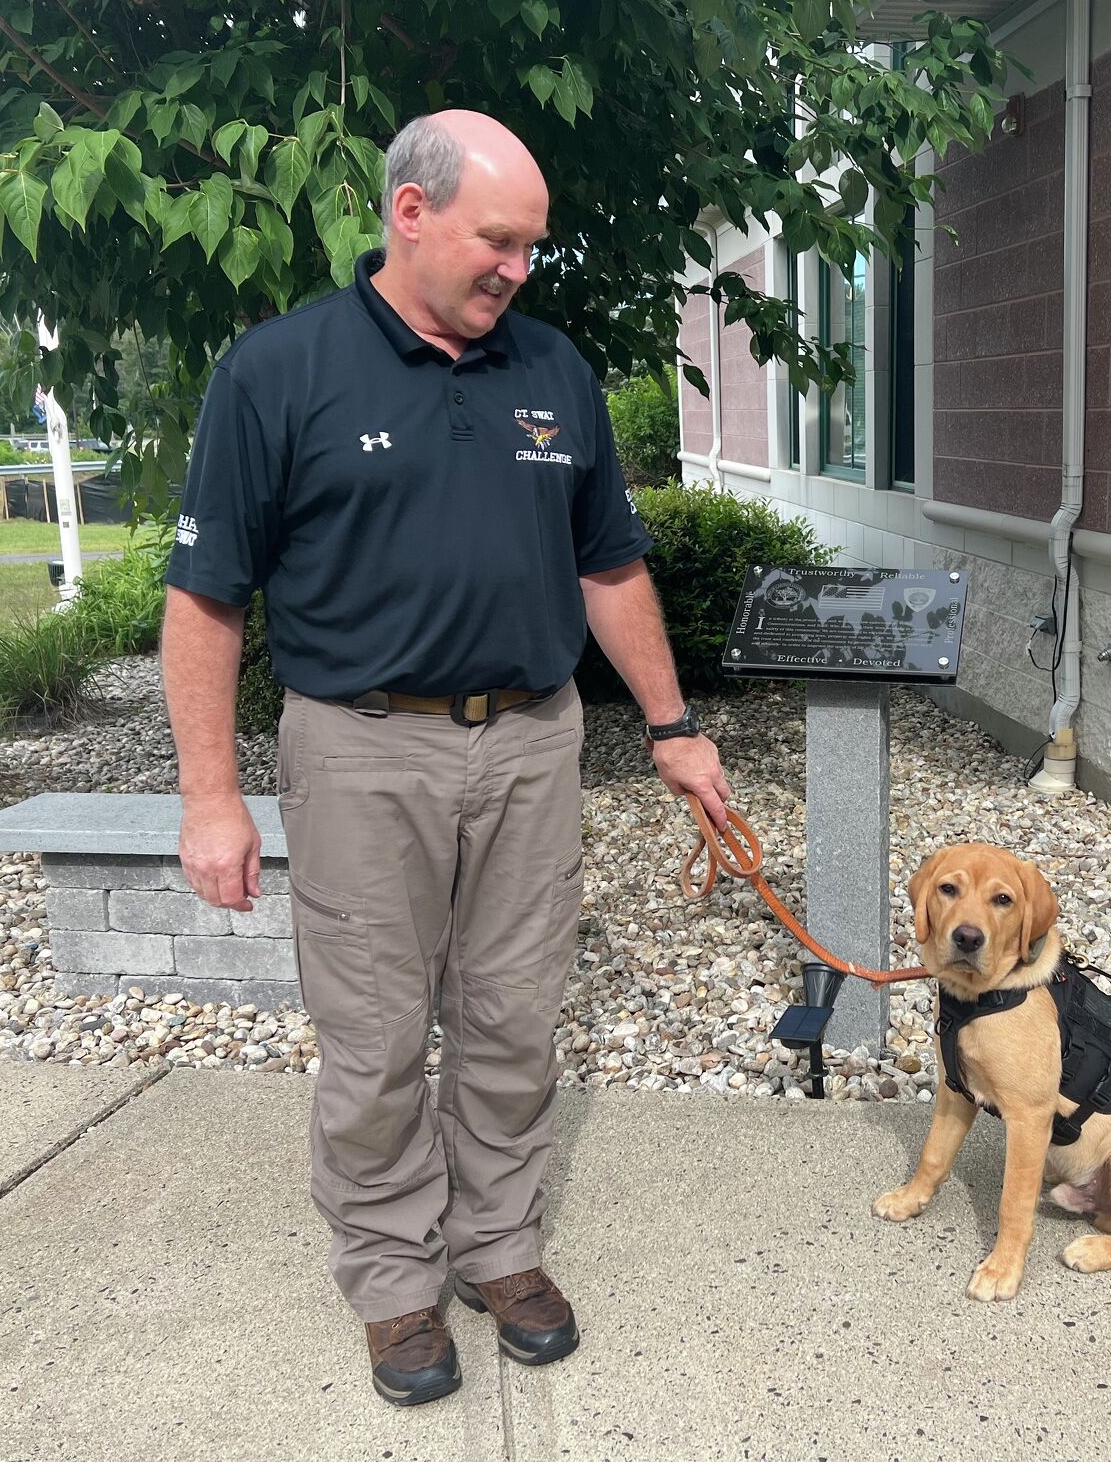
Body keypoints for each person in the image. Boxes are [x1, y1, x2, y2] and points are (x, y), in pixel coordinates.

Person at [160, 110, 730, 1407]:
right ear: (409, 215)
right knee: (371, 1041)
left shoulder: (554, 372)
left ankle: (500, 1247)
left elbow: (609, 565)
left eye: (531, 247)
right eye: (499, 241)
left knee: (515, 1018)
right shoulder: (279, 371)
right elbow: (205, 600)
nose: (519, 268)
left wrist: (674, 726)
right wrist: (210, 798)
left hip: (534, 743)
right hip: (362, 749)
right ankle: (395, 1279)